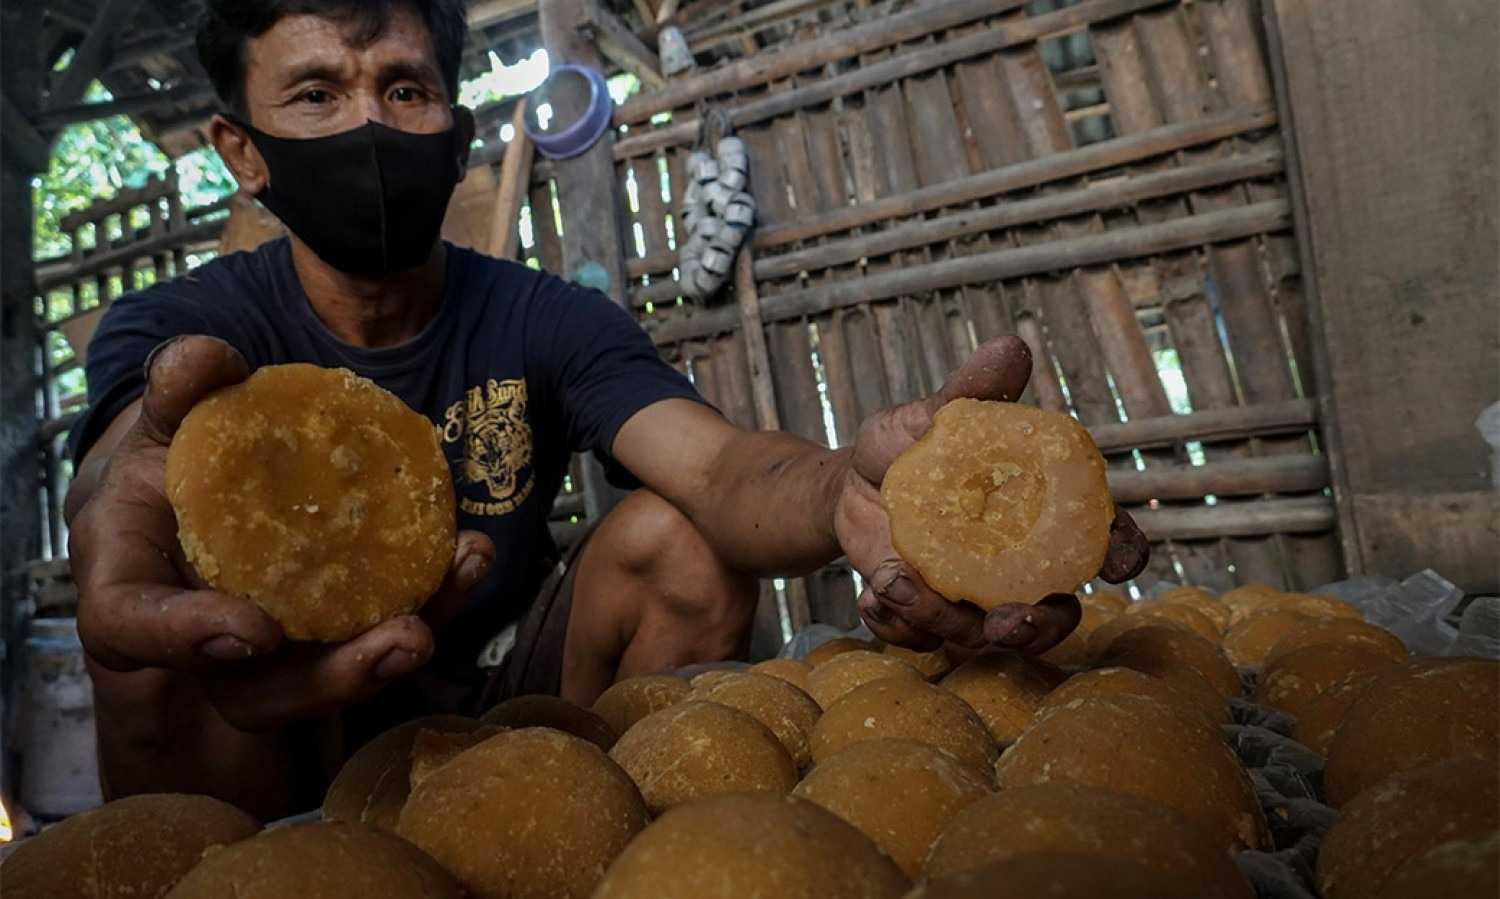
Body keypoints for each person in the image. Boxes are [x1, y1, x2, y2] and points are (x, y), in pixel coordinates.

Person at [64, 0, 1148, 819]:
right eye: (315, 95)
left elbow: (720, 474)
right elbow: (127, 468)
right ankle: (225, 871)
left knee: (682, 536)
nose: (370, 124)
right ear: (241, 151)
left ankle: (616, 846)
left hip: (493, 703)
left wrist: (858, 490)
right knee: (148, 630)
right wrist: (118, 500)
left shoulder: (542, 318)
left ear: (455, 128)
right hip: (269, 719)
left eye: (404, 88)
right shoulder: (183, 329)